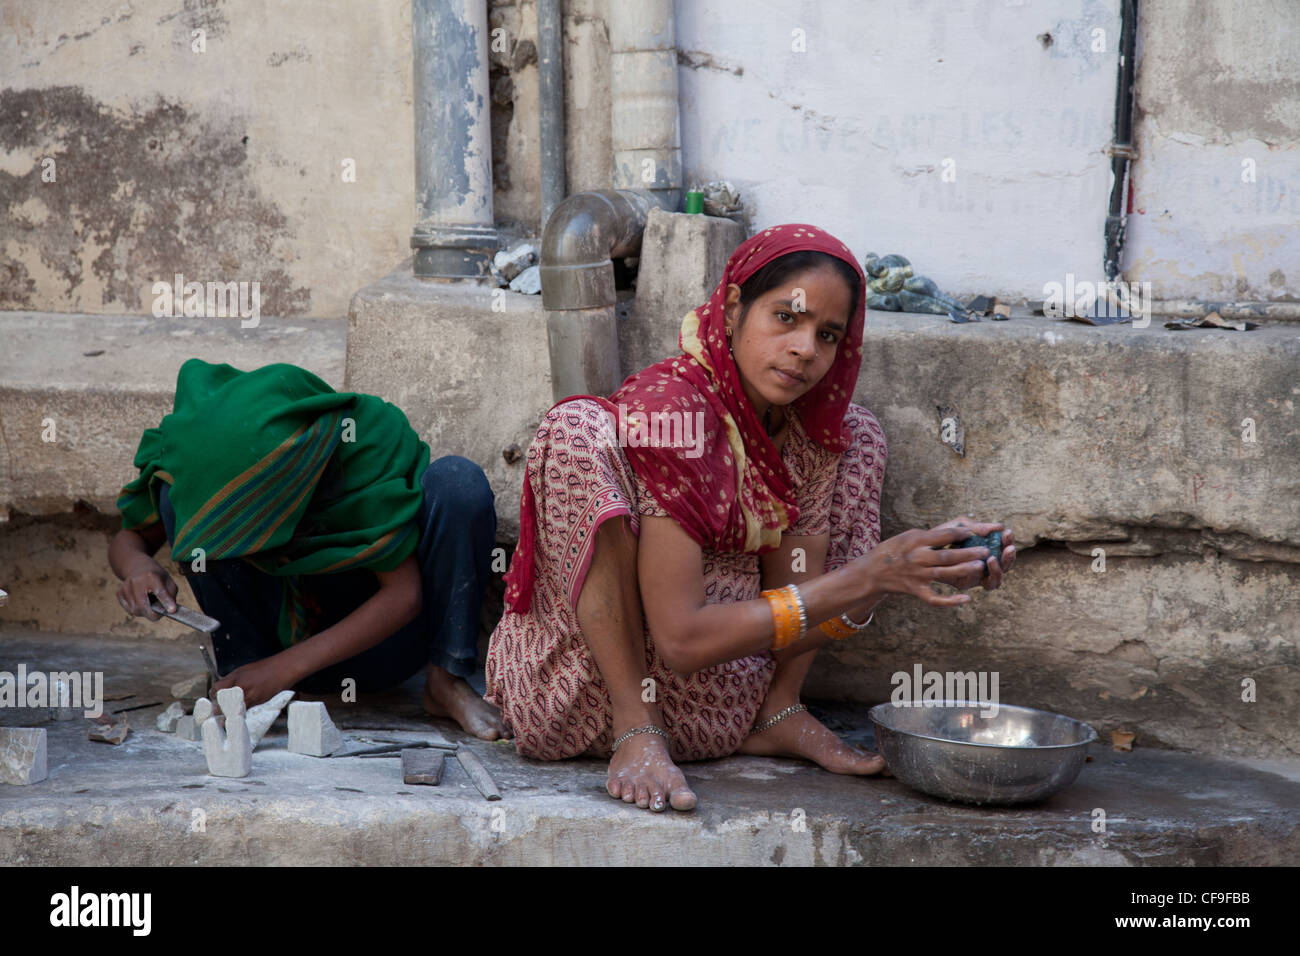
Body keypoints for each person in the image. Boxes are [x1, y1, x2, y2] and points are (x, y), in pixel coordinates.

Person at [487, 223, 1016, 812]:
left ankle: (779, 711)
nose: (805, 349)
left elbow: (799, 604)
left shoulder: (805, 433)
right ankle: (637, 731)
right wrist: (871, 574)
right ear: (735, 307)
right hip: (586, 698)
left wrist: (913, 574)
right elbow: (682, 639)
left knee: (857, 434)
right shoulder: (676, 412)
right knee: (576, 427)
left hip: (722, 710)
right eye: (787, 318)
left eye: (828, 334)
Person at [108, 359, 506, 739]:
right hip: (269, 647)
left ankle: (445, 683)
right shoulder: (201, 463)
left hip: (377, 650)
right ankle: (243, 680)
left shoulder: (356, 456)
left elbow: (405, 595)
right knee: (179, 499)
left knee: (458, 484)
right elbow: (129, 539)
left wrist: (281, 670)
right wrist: (138, 567)